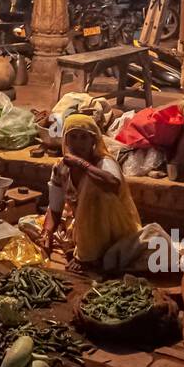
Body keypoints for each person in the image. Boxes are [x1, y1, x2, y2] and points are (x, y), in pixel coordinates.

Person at [39, 114, 142, 265]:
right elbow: (55, 209)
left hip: (111, 227)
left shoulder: (104, 162)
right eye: (73, 137)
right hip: (81, 225)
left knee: (92, 185)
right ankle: (78, 245)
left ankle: (90, 256)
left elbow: (113, 183)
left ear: (93, 141)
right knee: (27, 224)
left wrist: (81, 164)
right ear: (65, 140)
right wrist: (47, 233)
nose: (78, 143)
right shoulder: (60, 168)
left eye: (83, 137)